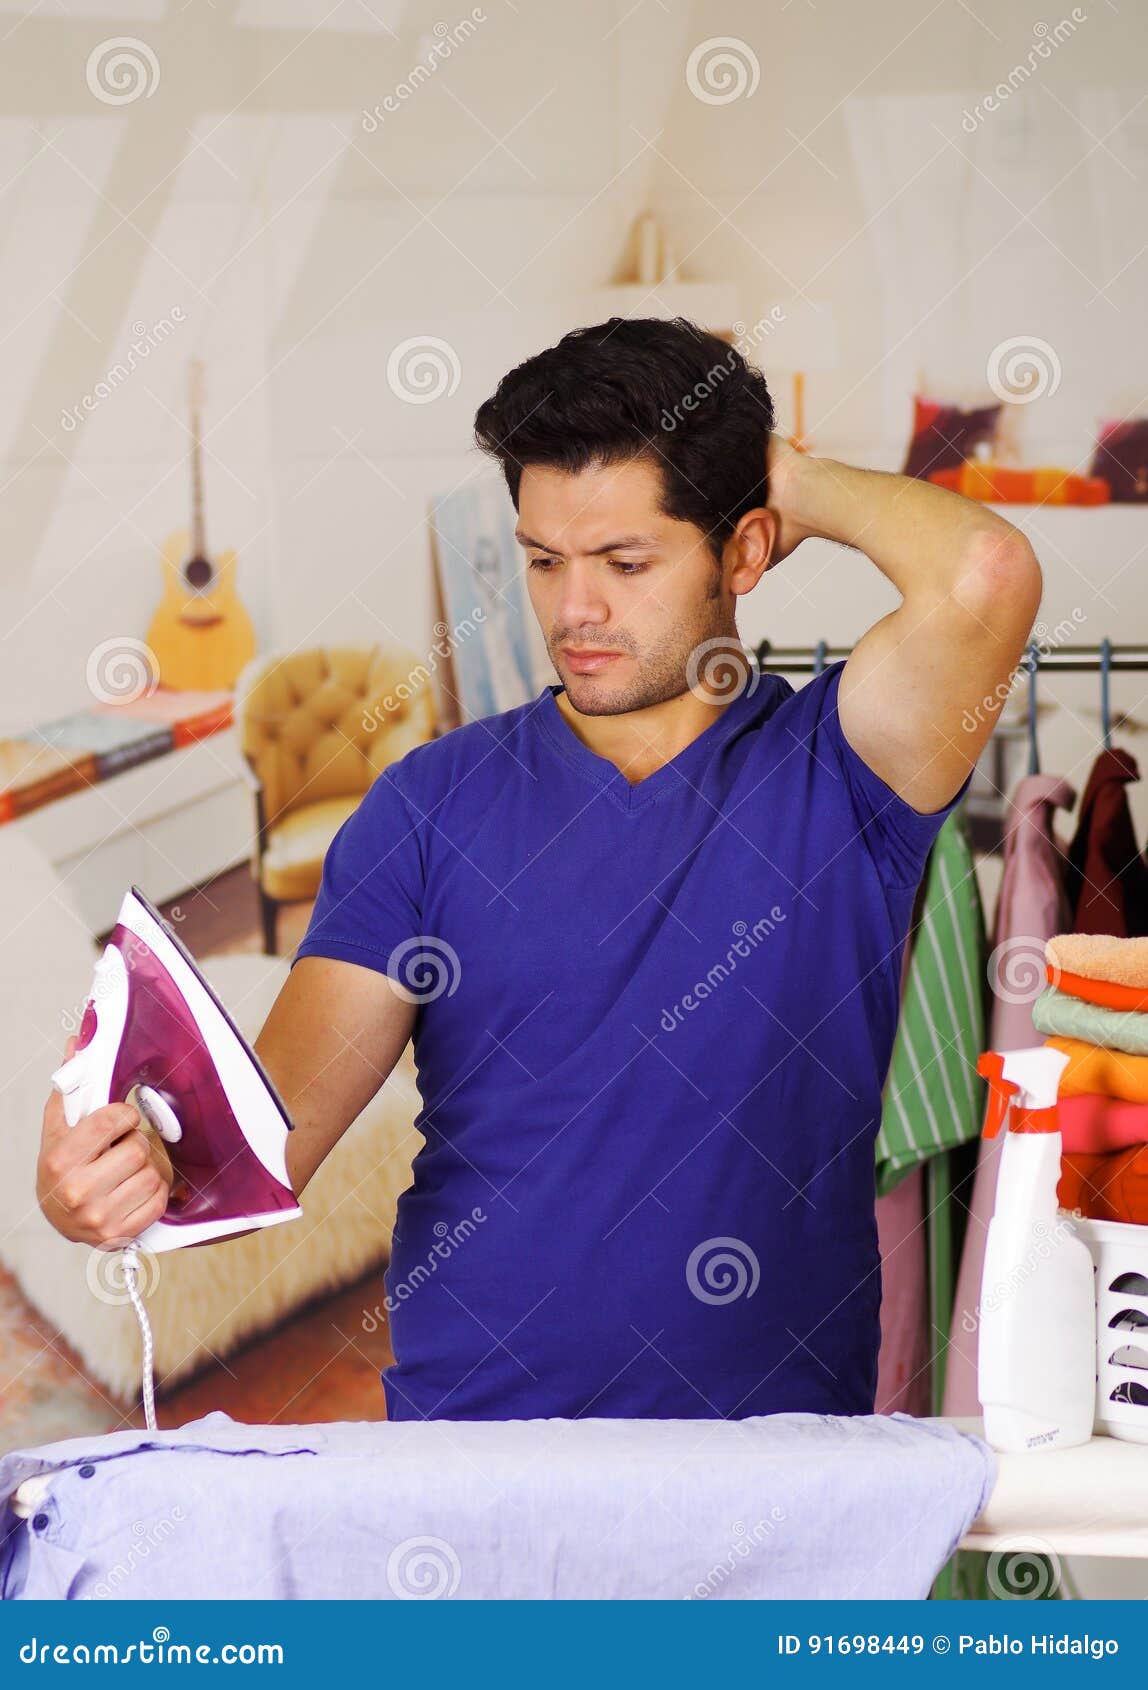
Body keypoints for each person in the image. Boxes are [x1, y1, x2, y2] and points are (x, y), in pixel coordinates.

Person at [38, 317, 1041, 1423]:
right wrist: (114, 1176)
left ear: (744, 552)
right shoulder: (427, 807)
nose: (575, 610)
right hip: (473, 1449)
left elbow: (983, 573)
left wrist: (785, 472)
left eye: (625, 562)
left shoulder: (848, 772)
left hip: (775, 1456)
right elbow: (254, 1149)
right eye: (544, 560)